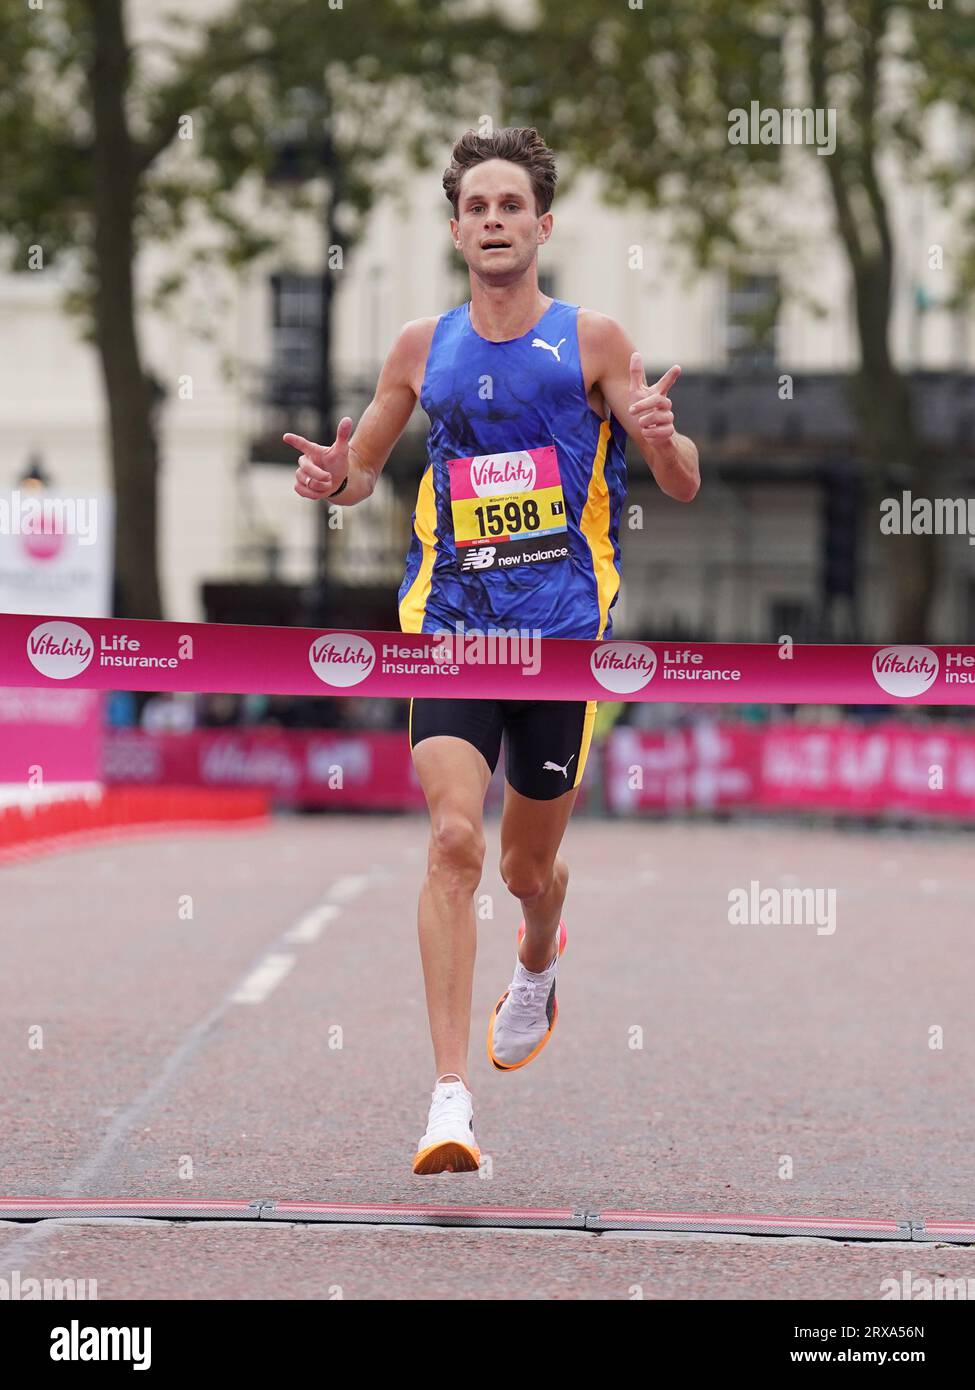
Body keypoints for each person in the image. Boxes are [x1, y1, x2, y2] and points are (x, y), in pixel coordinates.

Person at [285, 127, 700, 1175]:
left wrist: (660, 435)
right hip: (453, 630)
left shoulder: (596, 340)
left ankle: (539, 955)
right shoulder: (421, 348)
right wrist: (335, 477)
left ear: (543, 224)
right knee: (456, 841)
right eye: (477, 207)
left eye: (512, 205)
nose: (494, 221)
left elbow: (684, 479)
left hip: (562, 640)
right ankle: (448, 1099)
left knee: (525, 866)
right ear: (458, 227)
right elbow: (365, 470)